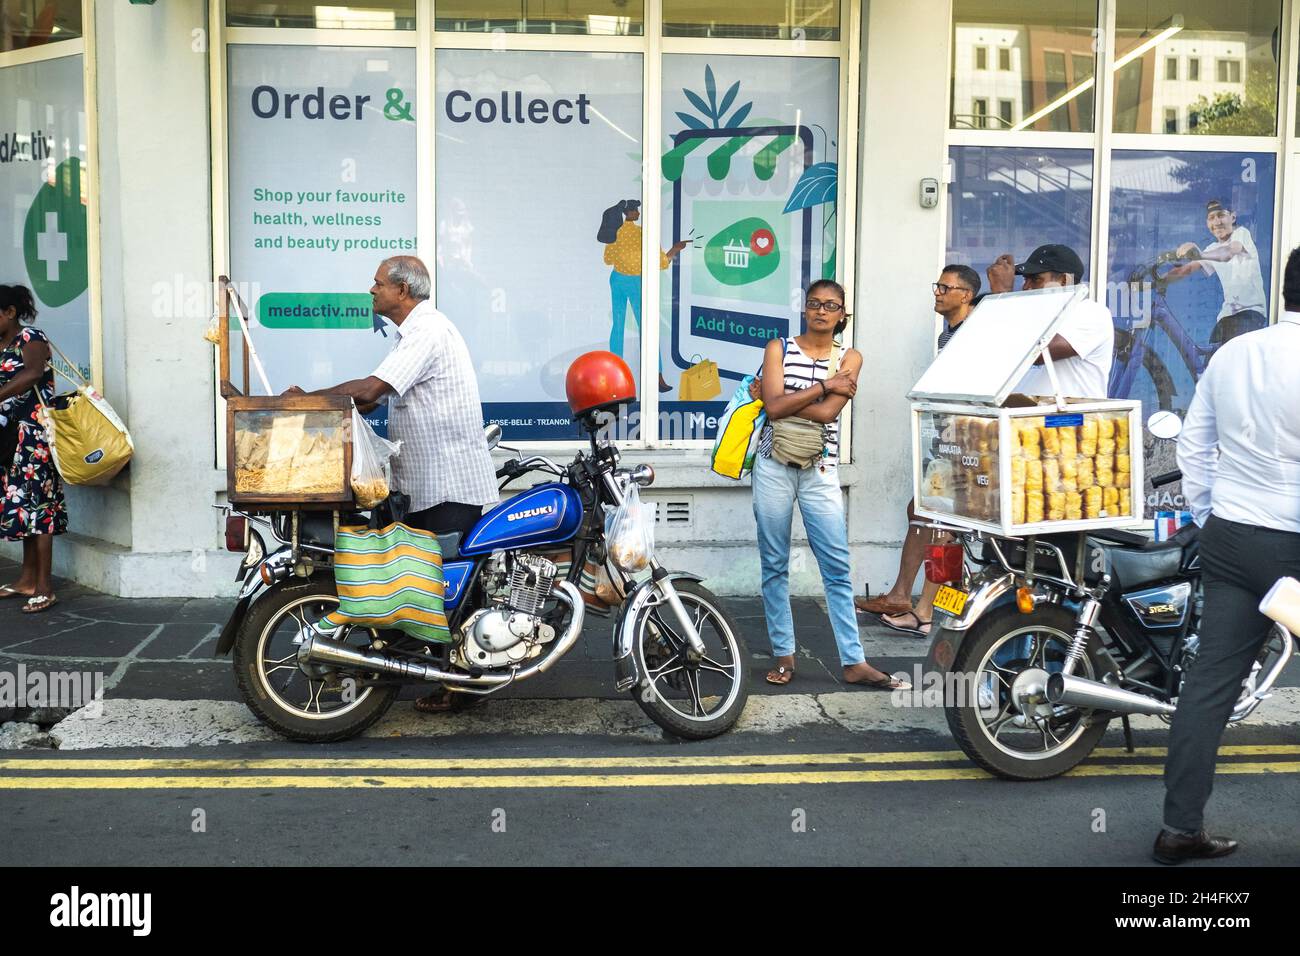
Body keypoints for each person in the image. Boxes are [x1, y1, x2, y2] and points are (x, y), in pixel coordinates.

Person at [283, 257, 499, 714]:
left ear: (403, 290)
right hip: (427, 484)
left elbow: (370, 391)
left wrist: (308, 401)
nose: (371, 290)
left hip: (449, 483)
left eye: (378, 284)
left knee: (449, 592)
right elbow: (372, 398)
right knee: (432, 585)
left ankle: (459, 684)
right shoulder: (415, 333)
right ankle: (447, 675)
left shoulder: (428, 331)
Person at [1153, 246, 1300, 864]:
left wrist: (1212, 511)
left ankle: (1179, 829)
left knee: (1209, 685)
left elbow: (1195, 440)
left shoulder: (1236, 352)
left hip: (1234, 535)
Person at [749, 279, 910, 690]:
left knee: (836, 568)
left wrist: (792, 397)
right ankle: (784, 656)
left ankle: (854, 661)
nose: (822, 311)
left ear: (842, 315)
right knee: (774, 565)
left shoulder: (850, 357)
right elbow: (772, 406)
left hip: (821, 472)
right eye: (815, 304)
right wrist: (824, 387)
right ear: (805, 309)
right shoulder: (777, 348)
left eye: (831, 305)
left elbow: (826, 416)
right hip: (774, 465)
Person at [857, 264, 981, 636]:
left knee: (944, 524)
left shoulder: (976, 330)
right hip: (945, 436)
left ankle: (925, 612)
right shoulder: (950, 333)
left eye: (946, 287)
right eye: (937, 285)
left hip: (965, 439)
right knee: (925, 513)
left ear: (966, 295)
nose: (938, 292)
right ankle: (907, 597)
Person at [0, 283, 67, 614]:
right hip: (10, 439)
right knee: (24, 507)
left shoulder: (31, 338)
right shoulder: (2, 345)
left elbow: (33, 373)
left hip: (34, 438)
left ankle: (44, 587)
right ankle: (27, 580)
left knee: (40, 509)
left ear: (10, 313)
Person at [986, 243, 1114, 399]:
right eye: (1026, 280)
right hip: (1027, 416)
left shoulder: (1091, 313)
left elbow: (1037, 353)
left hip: (1072, 419)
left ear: (1064, 280)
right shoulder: (1031, 315)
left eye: (1036, 279)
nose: (1026, 287)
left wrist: (1002, 294)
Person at [598, 199, 688, 392]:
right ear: (629, 213)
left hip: (616, 279)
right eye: (636, 211)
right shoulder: (643, 234)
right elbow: (662, 263)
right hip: (636, 283)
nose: (638, 214)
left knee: (618, 325)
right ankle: (657, 377)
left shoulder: (616, 233)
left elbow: (607, 260)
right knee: (647, 329)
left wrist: (623, 255)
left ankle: (615, 375)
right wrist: (675, 249)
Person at [1166, 199, 1268, 346]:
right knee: (1210, 364)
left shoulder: (1241, 234)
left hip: (1250, 315)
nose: (1217, 222)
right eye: (1211, 218)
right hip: (1226, 317)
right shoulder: (1212, 248)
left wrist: (1199, 254)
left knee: (1230, 362)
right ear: (1207, 224)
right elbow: (1186, 269)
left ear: (1232, 217)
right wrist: (1155, 281)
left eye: (1221, 215)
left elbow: (1229, 252)